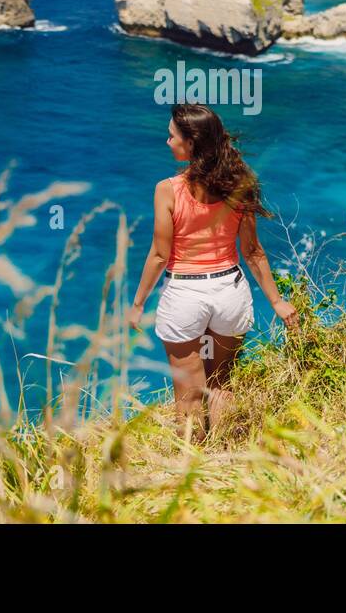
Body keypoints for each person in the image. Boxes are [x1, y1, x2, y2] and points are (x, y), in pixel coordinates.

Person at [126, 103, 298, 438]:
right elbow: (253, 252)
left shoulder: (167, 189)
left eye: (172, 135)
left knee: (189, 393)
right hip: (229, 293)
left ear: (191, 144)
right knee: (220, 383)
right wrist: (277, 302)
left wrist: (137, 304)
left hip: (185, 296)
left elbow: (160, 254)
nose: (167, 141)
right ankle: (226, 457)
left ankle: (193, 467)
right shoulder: (239, 184)